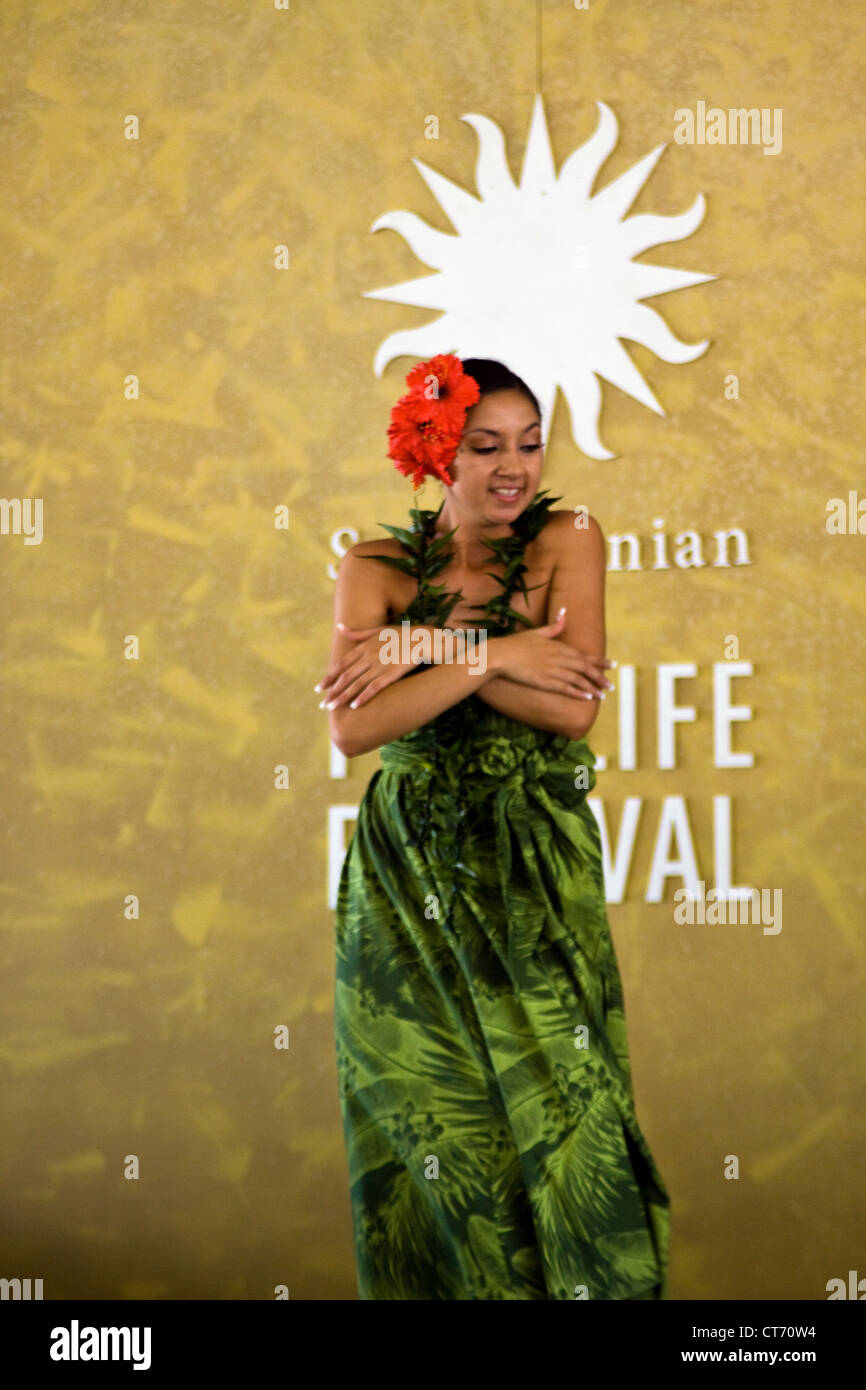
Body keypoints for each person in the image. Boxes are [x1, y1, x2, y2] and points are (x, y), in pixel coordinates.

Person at [318, 353, 671, 1300]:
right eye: (485, 446)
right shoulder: (374, 565)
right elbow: (356, 728)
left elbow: (571, 711)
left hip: (531, 859)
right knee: (437, 1122)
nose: (513, 466)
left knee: (568, 1109)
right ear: (437, 455)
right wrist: (503, 653)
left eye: (529, 442)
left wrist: (430, 647)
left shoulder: (571, 536)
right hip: (407, 873)